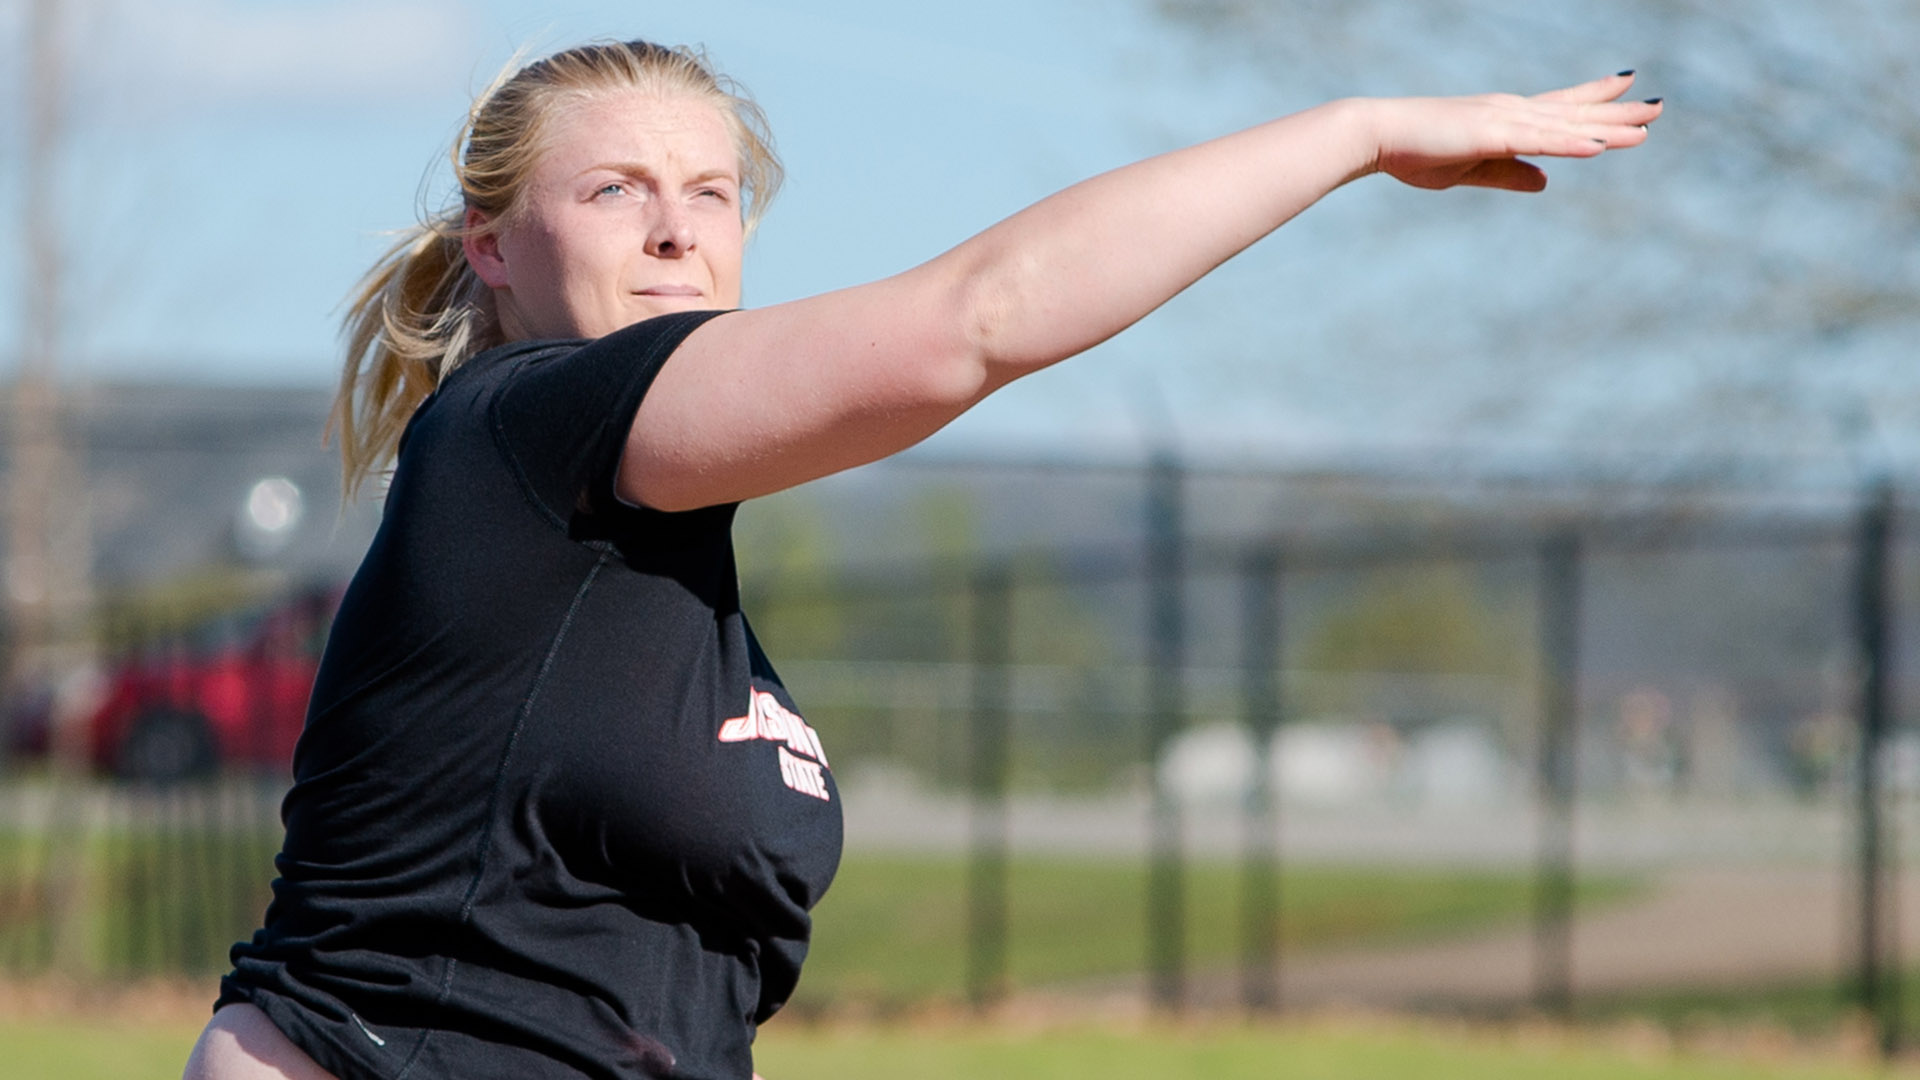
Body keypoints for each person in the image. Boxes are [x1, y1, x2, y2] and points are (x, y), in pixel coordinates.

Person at [182, 38, 1661, 1080]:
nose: (677, 232)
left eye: (712, 194)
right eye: (616, 190)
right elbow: (977, 319)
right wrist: (1353, 133)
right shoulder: (524, 425)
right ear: (493, 247)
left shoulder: (639, 551)